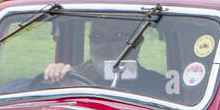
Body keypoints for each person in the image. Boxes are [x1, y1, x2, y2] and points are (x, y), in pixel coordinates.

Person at [40, 18, 169, 97]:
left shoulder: (157, 85)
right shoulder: (74, 77)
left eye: (116, 37)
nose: (104, 45)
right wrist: (55, 78)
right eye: (97, 38)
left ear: (138, 41)